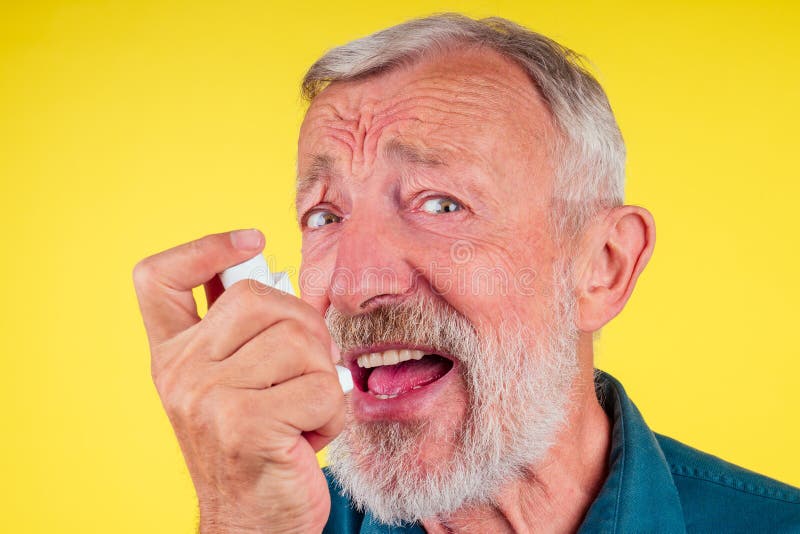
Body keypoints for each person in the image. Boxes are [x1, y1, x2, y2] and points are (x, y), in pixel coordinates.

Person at [133, 13, 800, 533]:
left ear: (603, 267)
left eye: (441, 204)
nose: (355, 285)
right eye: (325, 215)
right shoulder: (273, 522)